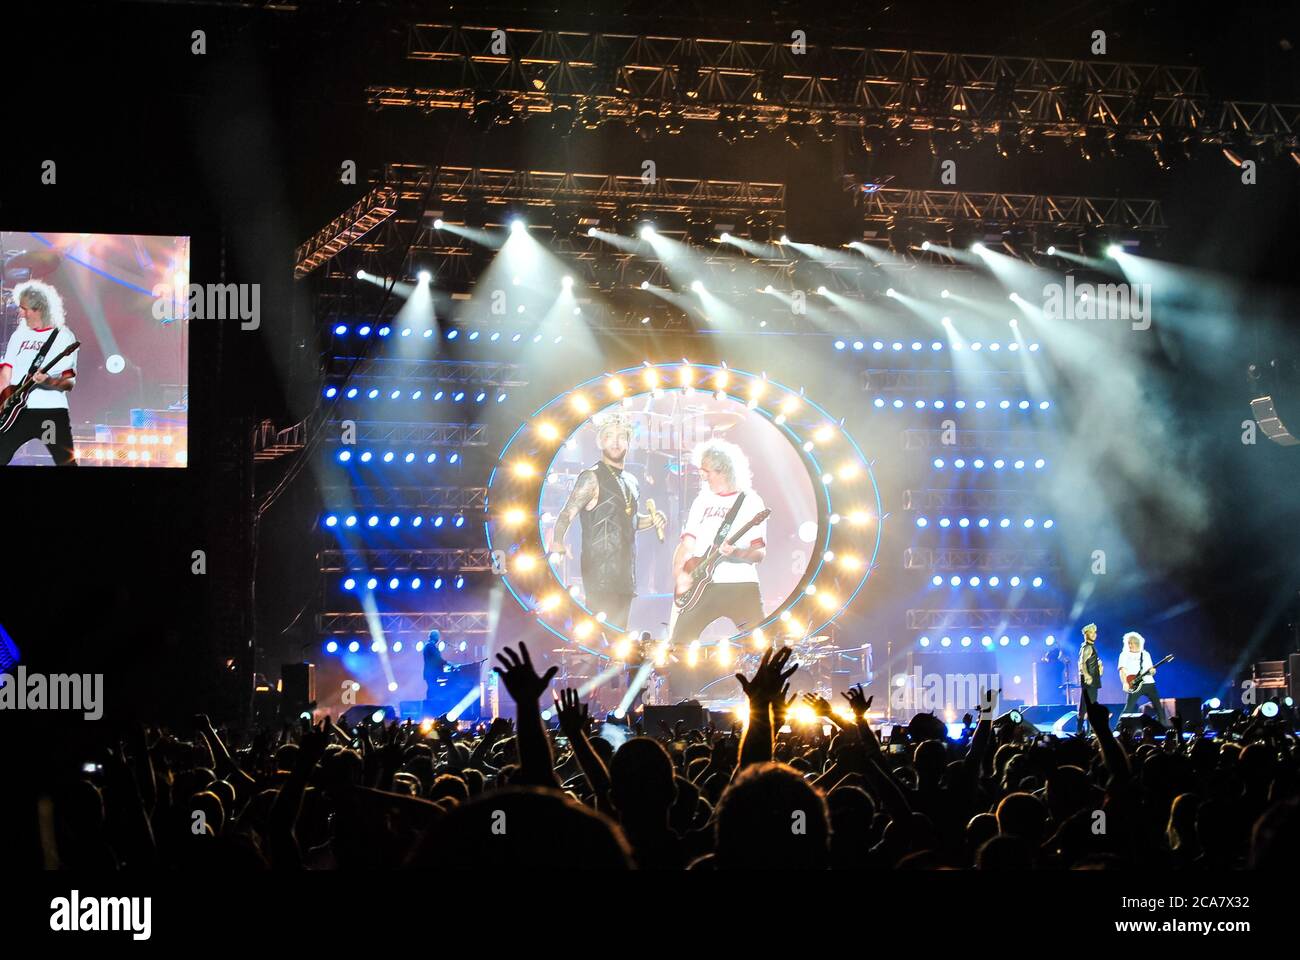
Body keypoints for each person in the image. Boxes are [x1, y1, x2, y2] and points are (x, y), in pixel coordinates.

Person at [548, 411, 666, 634]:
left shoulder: (631, 481)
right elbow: (566, 513)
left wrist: (652, 519)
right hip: (600, 574)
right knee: (600, 636)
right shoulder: (591, 477)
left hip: (625, 573)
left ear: (629, 443)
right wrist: (558, 542)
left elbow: (630, 520)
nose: (615, 441)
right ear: (600, 441)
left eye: (621, 437)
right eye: (610, 436)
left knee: (619, 636)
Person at [669, 439, 768, 646]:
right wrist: (680, 575)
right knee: (679, 645)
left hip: (741, 586)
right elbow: (687, 544)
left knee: (759, 649)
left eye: (706, 472)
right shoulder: (701, 501)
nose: (702, 477)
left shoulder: (750, 501)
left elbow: (759, 553)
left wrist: (735, 553)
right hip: (703, 587)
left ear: (723, 470)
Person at [0, 280, 80, 466]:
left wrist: (49, 381)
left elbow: (69, 383)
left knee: (65, 462)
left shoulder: (63, 336)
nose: (20, 312)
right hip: (16, 412)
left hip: (49, 412)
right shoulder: (18, 334)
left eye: (24, 308)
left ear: (39, 309)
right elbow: (6, 372)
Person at [1117, 631, 1167, 726]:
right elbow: (1122, 670)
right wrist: (1125, 683)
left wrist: (1152, 671)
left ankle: (1163, 730)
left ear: (1137, 643)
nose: (1130, 645)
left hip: (1149, 684)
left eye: (1132, 643)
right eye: (1129, 643)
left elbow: (1151, 670)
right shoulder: (1124, 655)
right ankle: (1117, 730)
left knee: (1159, 709)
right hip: (1135, 684)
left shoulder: (1145, 654)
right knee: (1128, 709)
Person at [1077, 623, 1103, 734]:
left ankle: (1083, 730)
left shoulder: (1090, 647)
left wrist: (1099, 668)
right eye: (1091, 632)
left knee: (1085, 705)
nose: (1094, 634)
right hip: (1089, 681)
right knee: (1089, 706)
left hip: (1092, 680)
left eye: (1095, 632)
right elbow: (1082, 663)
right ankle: (1089, 731)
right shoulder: (1087, 647)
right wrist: (1087, 676)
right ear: (1086, 634)